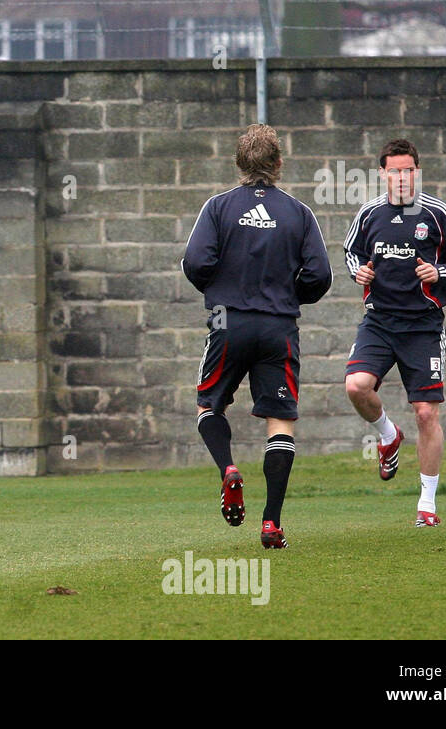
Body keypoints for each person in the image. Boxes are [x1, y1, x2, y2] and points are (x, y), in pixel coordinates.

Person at [181, 124, 332, 549]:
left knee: (209, 404)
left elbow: (195, 262)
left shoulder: (217, 207)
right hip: (278, 327)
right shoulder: (299, 213)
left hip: (228, 321)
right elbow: (321, 275)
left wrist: (219, 292)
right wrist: (289, 296)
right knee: (279, 421)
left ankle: (228, 469)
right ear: (279, 163)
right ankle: (271, 523)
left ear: (238, 164)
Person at [342, 138, 446, 528]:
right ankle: (387, 435)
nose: (401, 177)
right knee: (356, 386)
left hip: (423, 327)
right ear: (383, 173)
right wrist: (360, 271)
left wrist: (440, 273)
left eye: (408, 170)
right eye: (394, 171)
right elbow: (352, 252)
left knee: (425, 413)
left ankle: (427, 505)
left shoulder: (438, 213)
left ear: (416, 172)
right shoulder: (369, 213)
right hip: (380, 322)